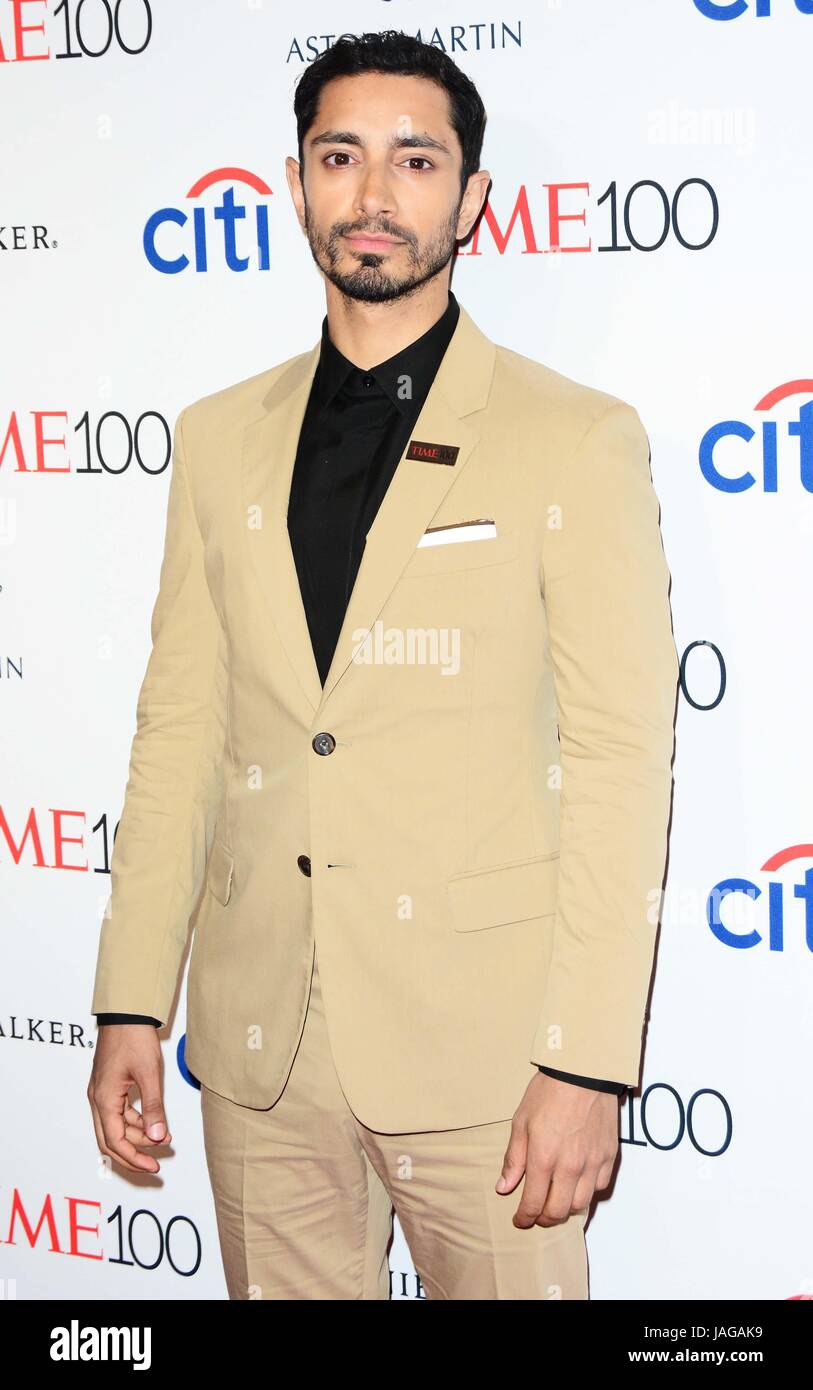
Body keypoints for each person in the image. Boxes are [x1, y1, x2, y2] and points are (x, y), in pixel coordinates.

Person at [87, 30, 679, 1300]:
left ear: (470, 198)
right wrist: (130, 998)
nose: (372, 194)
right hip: (262, 1050)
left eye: (416, 160)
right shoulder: (214, 440)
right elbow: (182, 728)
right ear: (294, 184)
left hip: (490, 1057)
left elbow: (624, 759)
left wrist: (584, 1060)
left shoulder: (574, 439)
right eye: (340, 155)